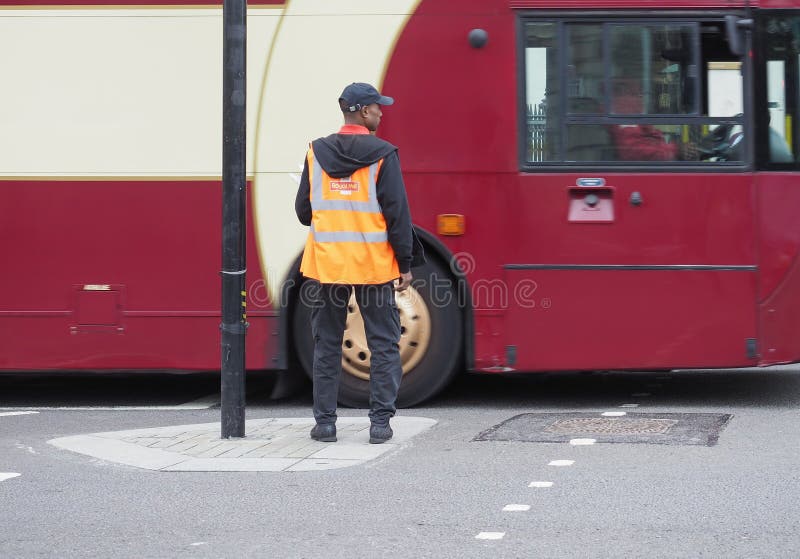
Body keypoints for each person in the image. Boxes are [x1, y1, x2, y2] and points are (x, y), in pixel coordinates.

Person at [295, 82, 414, 445]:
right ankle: (379, 424)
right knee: (383, 343)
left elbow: (303, 212)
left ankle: (326, 425)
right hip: (372, 265)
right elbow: (397, 215)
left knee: (327, 343)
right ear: (363, 112)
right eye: (378, 107)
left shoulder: (315, 152)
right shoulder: (383, 153)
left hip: (327, 266)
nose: (381, 112)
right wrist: (405, 263)